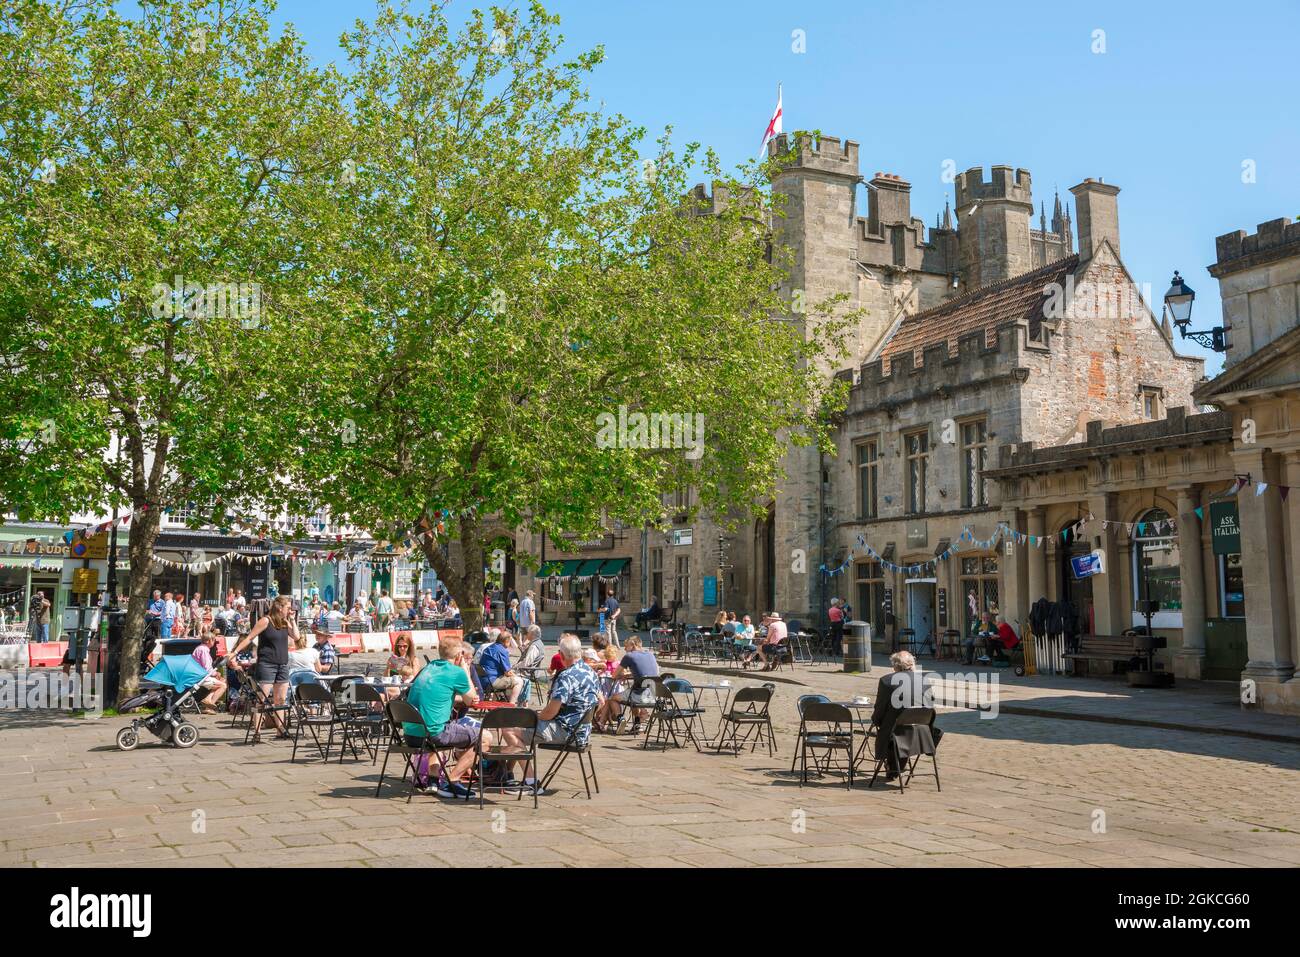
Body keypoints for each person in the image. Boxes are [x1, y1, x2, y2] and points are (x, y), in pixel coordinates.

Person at [404, 634, 488, 800]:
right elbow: (471, 700)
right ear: (459, 656)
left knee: (440, 725)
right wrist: (464, 669)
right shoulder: (456, 672)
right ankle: (452, 781)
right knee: (484, 738)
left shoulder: (429, 668)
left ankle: (434, 781)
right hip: (433, 735)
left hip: (411, 735)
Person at [227, 594, 297, 741]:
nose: (290, 610)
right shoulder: (266, 620)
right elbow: (249, 637)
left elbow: (296, 637)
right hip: (267, 664)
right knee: (261, 699)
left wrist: (291, 619)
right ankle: (257, 732)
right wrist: (234, 652)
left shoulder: (285, 622)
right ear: (279, 607)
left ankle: (281, 730)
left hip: (282, 664)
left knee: (280, 699)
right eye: (288, 608)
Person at [870, 651, 938, 782]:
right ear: (912, 664)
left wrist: (876, 721)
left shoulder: (887, 681)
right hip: (921, 733)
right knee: (898, 725)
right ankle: (896, 766)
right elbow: (930, 704)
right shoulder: (925, 681)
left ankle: (893, 767)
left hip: (895, 732)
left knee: (890, 727)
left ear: (895, 666)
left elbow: (880, 708)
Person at [535, 634, 603, 749]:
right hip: (583, 734)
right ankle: (506, 767)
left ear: (561, 654)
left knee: (512, 730)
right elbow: (601, 702)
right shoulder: (591, 672)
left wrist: (535, 718)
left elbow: (551, 712)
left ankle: (509, 767)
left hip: (567, 733)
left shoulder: (566, 676)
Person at [595, 635, 659, 731]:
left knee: (612, 698)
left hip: (640, 695)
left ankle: (621, 719)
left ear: (633, 645)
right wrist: (629, 675)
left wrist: (623, 675)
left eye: (626, 646)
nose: (624, 648)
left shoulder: (629, 656)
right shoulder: (650, 654)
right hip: (654, 694)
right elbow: (650, 673)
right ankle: (637, 723)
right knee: (631, 691)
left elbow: (614, 675)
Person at [480, 628, 524, 704]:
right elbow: (508, 672)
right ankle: (511, 705)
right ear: (506, 641)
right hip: (492, 681)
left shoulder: (488, 648)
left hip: (482, 680)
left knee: (505, 679)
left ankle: (494, 704)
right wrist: (516, 676)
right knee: (519, 681)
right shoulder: (502, 650)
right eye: (510, 642)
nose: (510, 644)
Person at [190, 632, 227, 714]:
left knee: (222, 681)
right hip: (200, 677)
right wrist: (215, 674)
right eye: (213, 640)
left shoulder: (200, 648)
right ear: (209, 641)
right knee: (223, 685)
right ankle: (209, 707)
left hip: (199, 675)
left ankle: (207, 700)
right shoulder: (203, 650)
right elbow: (207, 668)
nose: (214, 642)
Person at [287, 631, 322, 699]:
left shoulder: (290, 655)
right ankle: (313, 708)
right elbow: (319, 669)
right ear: (306, 641)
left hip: (296, 687)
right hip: (311, 685)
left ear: (294, 642)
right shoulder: (313, 651)